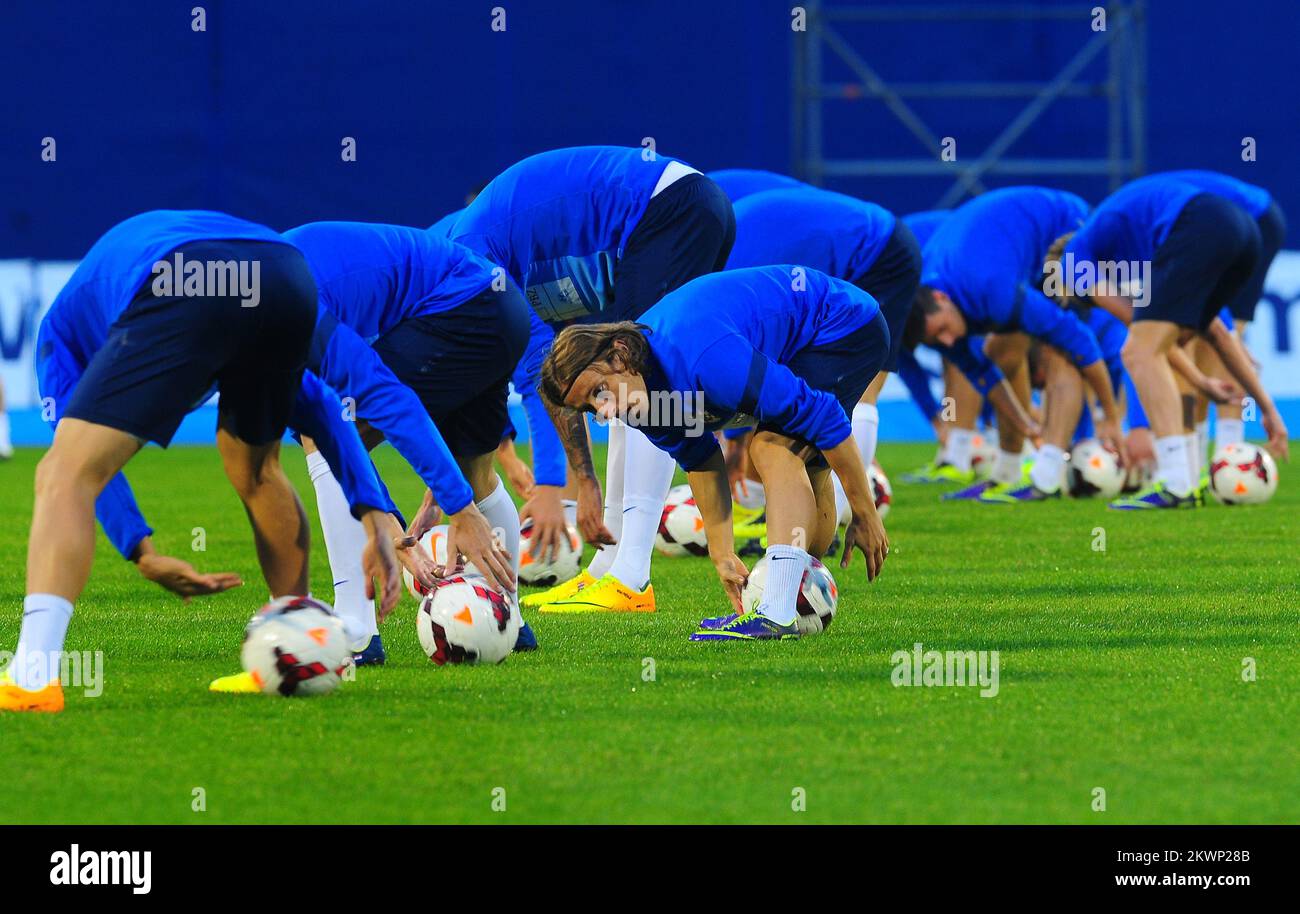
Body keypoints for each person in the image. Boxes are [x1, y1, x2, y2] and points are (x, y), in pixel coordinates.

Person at [0, 210, 401, 713]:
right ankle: (292, 645)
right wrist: (371, 513)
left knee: (61, 474)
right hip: (285, 272)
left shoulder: (61, 336)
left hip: (184, 275)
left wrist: (141, 552)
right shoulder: (91, 317)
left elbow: (77, 468)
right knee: (254, 465)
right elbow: (321, 406)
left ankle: (32, 675)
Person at [451, 146, 735, 615]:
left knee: (640, 386)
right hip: (681, 207)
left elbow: (538, 372)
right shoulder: (475, 259)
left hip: (673, 207)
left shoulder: (471, 264)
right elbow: (526, 377)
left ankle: (631, 578)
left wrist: (559, 483)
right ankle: (610, 564)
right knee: (618, 387)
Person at [539, 265, 890, 641]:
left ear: (620, 354)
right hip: (812, 334)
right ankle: (790, 603)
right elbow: (702, 460)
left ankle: (776, 612)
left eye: (599, 391)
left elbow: (825, 416)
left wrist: (865, 512)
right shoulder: (640, 400)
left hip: (843, 324)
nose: (605, 411)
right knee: (810, 467)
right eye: (591, 409)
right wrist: (722, 554)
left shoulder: (705, 356)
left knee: (771, 449)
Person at [282, 221, 529, 664]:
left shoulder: (284, 301)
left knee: (324, 434)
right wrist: (396, 528)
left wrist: (458, 509)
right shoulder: (272, 278)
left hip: (462, 310)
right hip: (503, 309)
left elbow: (390, 404)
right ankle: (509, 618)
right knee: (478, 472)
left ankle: (355, 633)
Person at [1061, 175, 1288, 508]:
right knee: (1188, 336)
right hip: (1243, 231)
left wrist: (1138, 426)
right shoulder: (1140, 240)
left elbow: (1137, 330)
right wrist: (1266, 408)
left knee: (1137, 351)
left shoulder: (1071, 261)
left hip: (1201, 222)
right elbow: (1217, 334)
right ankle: (1187, 477)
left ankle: (1177, 483)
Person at [903, 186, 1118, 501]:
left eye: (944, 329)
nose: (948, 341)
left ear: (941, 298)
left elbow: (1082, 343)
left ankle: (1046, 480)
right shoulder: (936, 313)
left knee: (1060, 350)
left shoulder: (992, 289)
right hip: (1014, 250)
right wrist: (1026, 424)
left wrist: (1109, 417)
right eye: (937, 340)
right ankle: (1007, 473)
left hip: (1065, 227)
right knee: (999, 353)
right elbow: (986, 376)